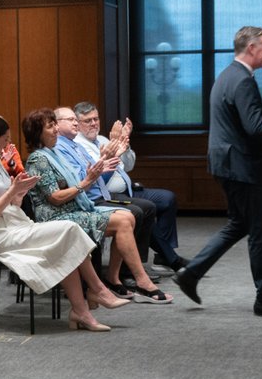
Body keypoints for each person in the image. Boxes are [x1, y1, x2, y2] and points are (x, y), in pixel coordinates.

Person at [172, 26, 262, 319]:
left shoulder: (226, 76)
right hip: (242, 167)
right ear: (251, 49)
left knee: (239, 224)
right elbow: (255, 127)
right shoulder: (242, 80)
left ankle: (190, 273)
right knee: (260, 232)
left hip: (228, 165)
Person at [0, 114, 130, 332]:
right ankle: (97, 290)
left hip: (15, 224)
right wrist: (13, 191)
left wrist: (19, 193)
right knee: (69, 228)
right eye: (5, 139)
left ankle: (81, 310)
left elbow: (9, 203)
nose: (7, 144)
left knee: (66, 240)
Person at [22, 109, 172, 303]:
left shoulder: (52, 154)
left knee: (128, 216)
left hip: (72, 208)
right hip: (56, 215)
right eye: (51, 126)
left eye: (55, 124)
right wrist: (87, 181)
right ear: (37, 133)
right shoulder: (39, 158)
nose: (56, 129)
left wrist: (100, 165)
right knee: (124, 222)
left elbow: (80, 179)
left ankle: (113, 278)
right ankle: (141, 281)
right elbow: (55, 198)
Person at [73, 101, 187, 272]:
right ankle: (145, 264)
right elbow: (97, 178)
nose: (94, 124)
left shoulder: (103, 139)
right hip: (109, 195)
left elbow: (128, 166)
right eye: (87, 121)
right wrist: (111, 152)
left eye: (96, 119)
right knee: (143, 210)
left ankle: (164, 255)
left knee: (167, 199)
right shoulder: (78, 146)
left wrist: (124, 144)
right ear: (77, 123)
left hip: (129, 190)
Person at [52, 105, 158, 268]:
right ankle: (126, 271)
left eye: (96, 119)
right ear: (56, 124)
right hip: (90, 199)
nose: (76, 124)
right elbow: (83, 179)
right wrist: (105, 159)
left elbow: (112, 172)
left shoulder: (80, 145)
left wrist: (116, 153)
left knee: (147, 208)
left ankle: (132, 267)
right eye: (73, 120)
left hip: (104, 194)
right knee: (135, 212)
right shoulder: (62, 147)